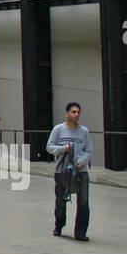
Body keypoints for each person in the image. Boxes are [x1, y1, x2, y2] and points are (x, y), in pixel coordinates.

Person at [47, 102, 94, 241]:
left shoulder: (84, 131)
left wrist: (81, 162)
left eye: (78, 112)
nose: (76, 114)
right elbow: (49, 147)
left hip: (80, 171)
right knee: (61, 200)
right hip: (62, 171)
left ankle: (80, 232)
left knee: (84, 202)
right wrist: (63, 149)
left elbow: (89, 150)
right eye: (73, 112)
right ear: (67, 113)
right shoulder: (58, 130)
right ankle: (59, 226)